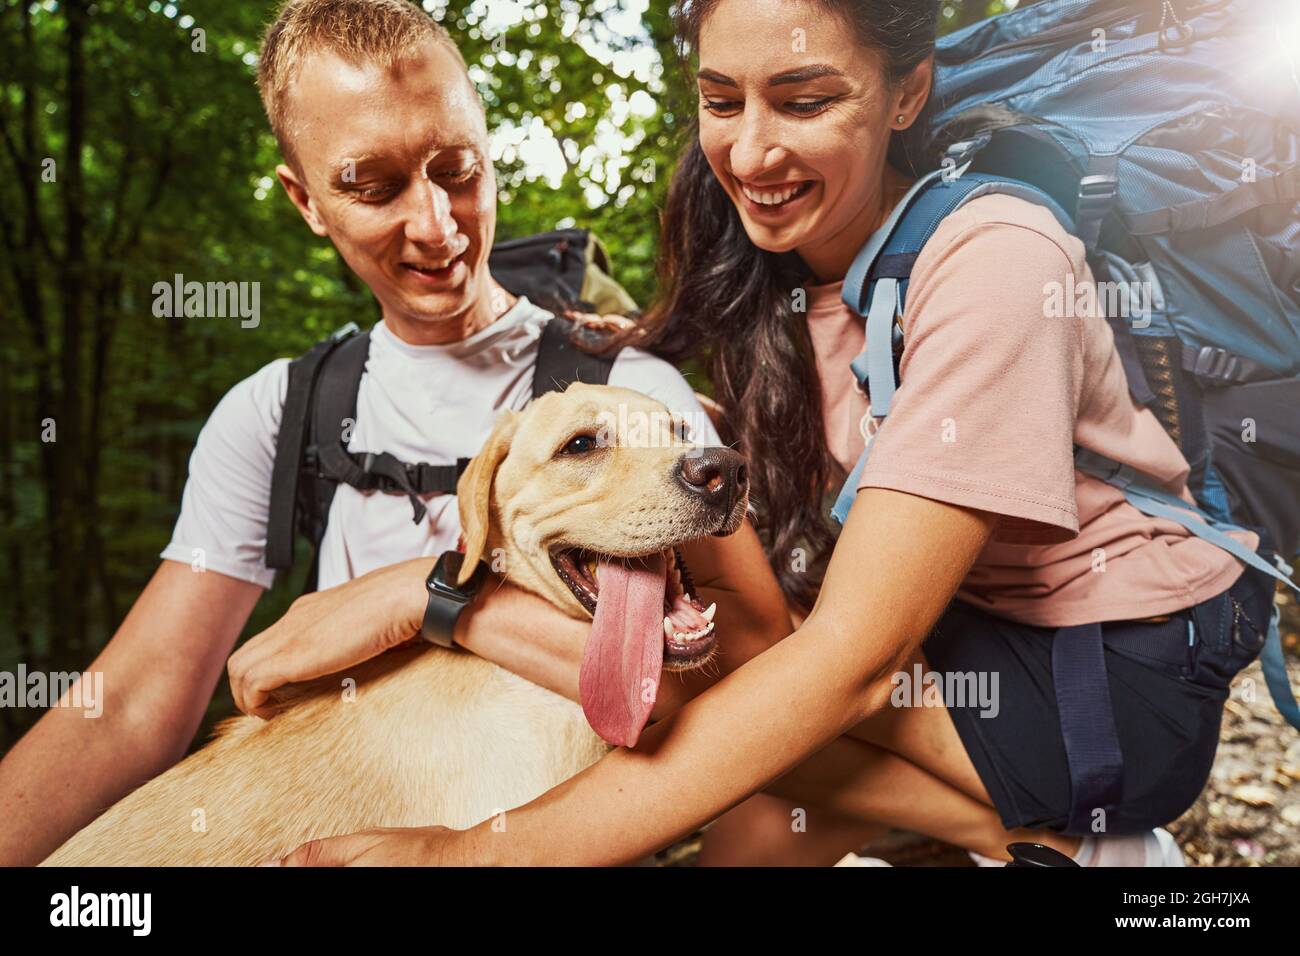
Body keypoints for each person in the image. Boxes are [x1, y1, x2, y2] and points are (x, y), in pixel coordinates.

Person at [268, 0, 1279, 868]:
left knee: (733, 691)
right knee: (750, 794)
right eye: (720, 101)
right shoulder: (790, 258)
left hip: (1109, 680)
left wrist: (477, 845)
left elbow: (848, 662)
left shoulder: (997, 260)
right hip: (978, 623)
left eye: (804, 101)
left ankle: (1088, 845)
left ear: (905, 94)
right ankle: (1000, 830)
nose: (749, 152)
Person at [0, 0, 792, 866]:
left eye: (457, 169)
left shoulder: (632, 396)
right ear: (305, 200)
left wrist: (432, 599)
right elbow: (132, 706)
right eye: (372, 187)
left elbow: (766, 690)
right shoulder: (277, 411)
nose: (435, 226)